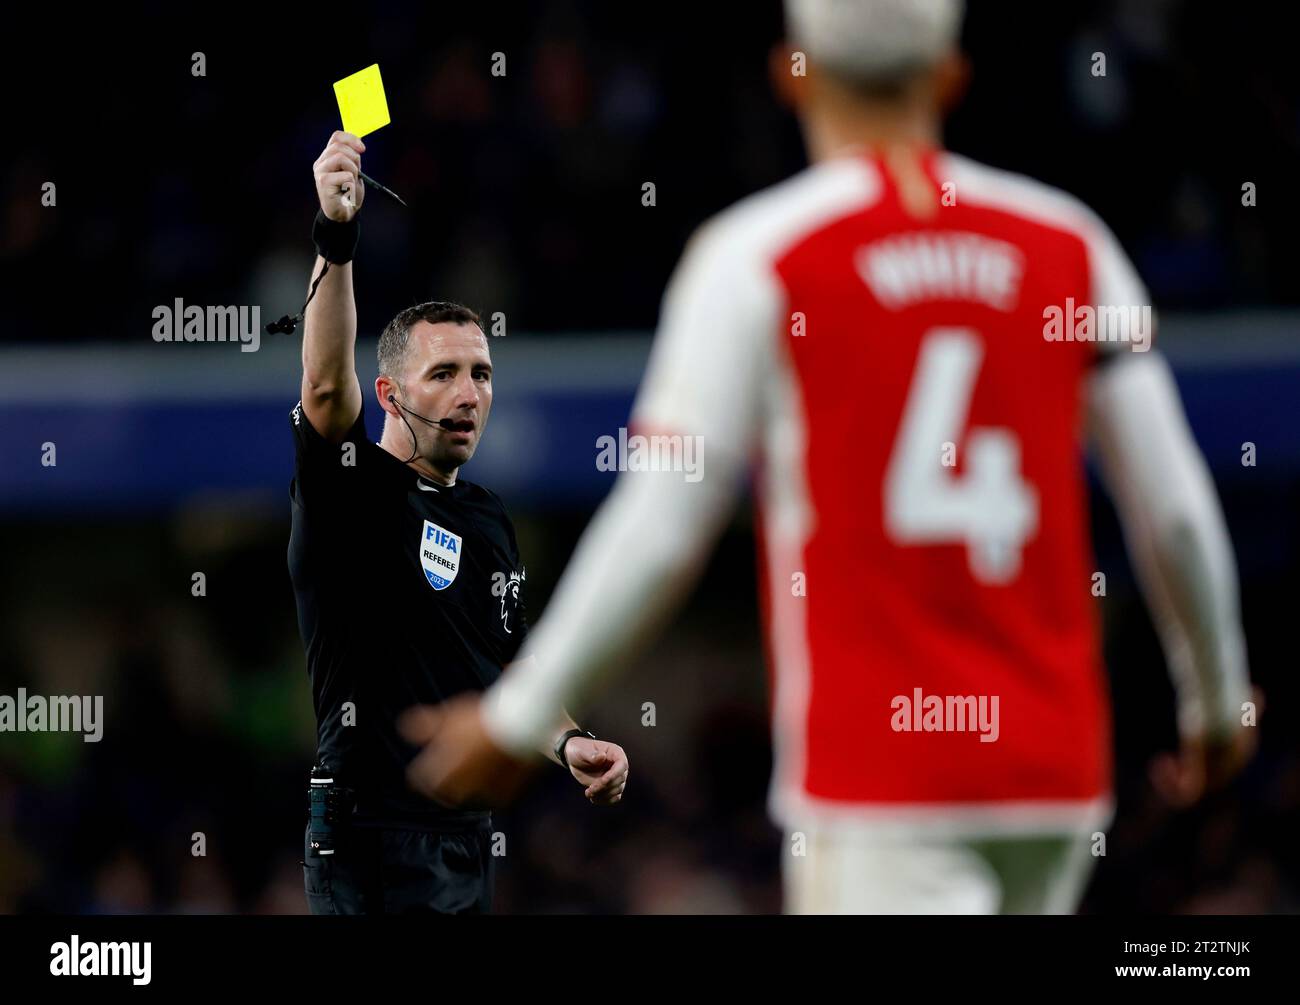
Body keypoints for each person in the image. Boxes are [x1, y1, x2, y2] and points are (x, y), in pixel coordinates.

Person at [399, 0, 1258, 913]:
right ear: (951, 77)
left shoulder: (755, 257)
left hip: (877, 785)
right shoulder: (1073, 243)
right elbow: (1172, 509)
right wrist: (1216, 704)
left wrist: (519, 716)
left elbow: (661, 526)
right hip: (1050, 780)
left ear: (791, 74)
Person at [288, 130, 629, 915]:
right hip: (368, 834)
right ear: (389, 393)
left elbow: (508, 669)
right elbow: (322, 382)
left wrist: (571, 740)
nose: (469, 392)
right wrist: (335, 237)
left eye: (481, 373)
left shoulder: (486, 518)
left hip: (465, 835)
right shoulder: (351, 486)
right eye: (443, 373)